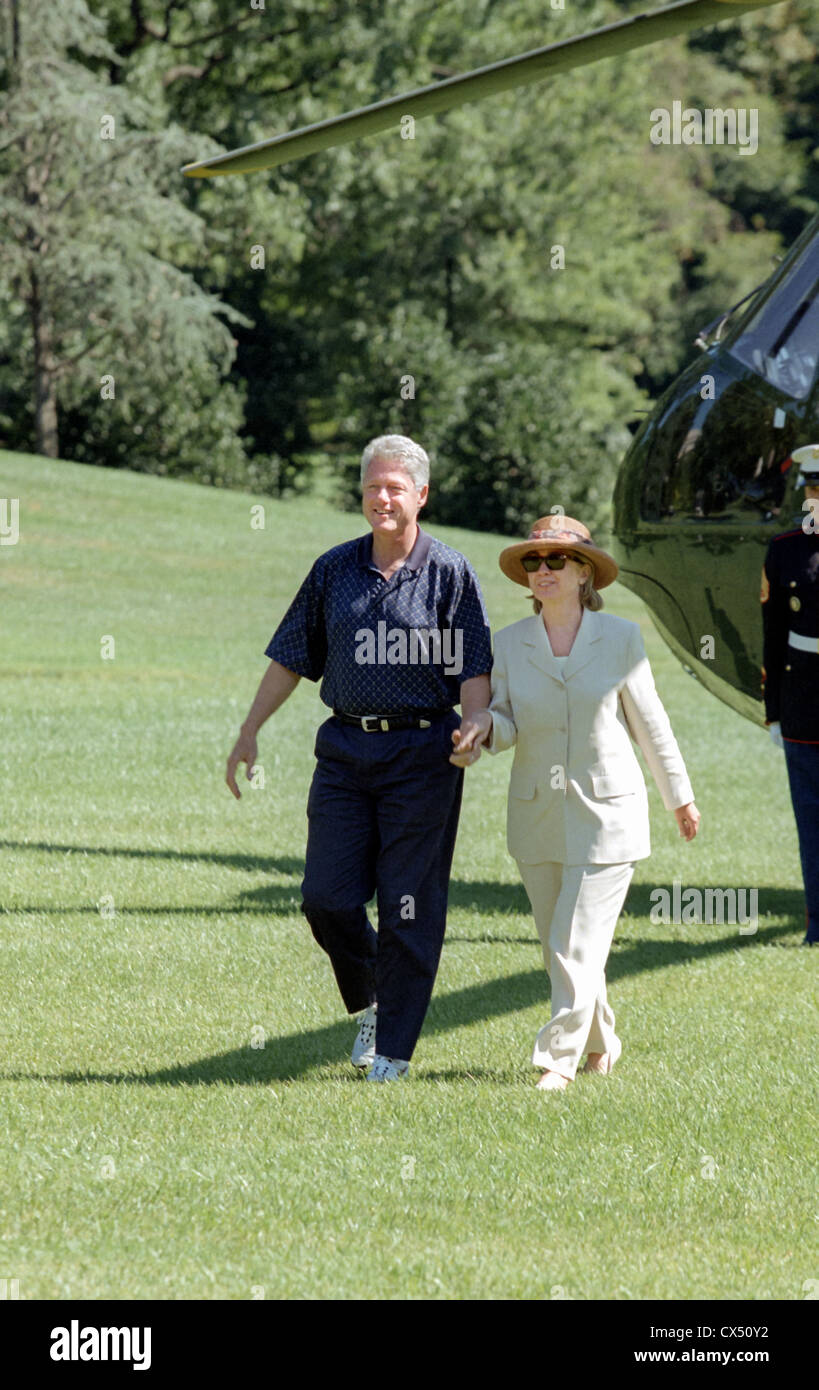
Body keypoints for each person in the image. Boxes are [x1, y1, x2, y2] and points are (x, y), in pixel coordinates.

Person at [226, 435, 492, 1080]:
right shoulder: (333, 569)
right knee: (326, 897)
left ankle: (393, 1052)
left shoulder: (450, 572)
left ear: (421, 495)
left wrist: (477, 720)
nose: (381, 498)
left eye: (395, 487)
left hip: (422, 755)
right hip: (344, 750)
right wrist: (250, 729)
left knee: (407, 904)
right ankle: (375, 996)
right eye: (373, 486)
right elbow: (292, 655)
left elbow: (473, 668)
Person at [451, 515, 700, 1092]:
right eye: (534, 562)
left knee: (573, 939)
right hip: (536, 812)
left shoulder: (621, 638)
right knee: (562, 943)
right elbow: (508, 720)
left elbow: (651, 726)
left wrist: (679, 798)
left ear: (584, 571)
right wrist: (483, 726)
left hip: (609, 815)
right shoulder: (510, 642)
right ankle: (601, 1044)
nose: (543, 570)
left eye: (556, 560)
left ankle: (555, 1061)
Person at [761, 442, 819, 946]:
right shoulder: (785, 550)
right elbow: (773, 632)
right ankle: (817, 925)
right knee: (810, 819)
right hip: (803, 702)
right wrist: (774, 712)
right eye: (812, 488)